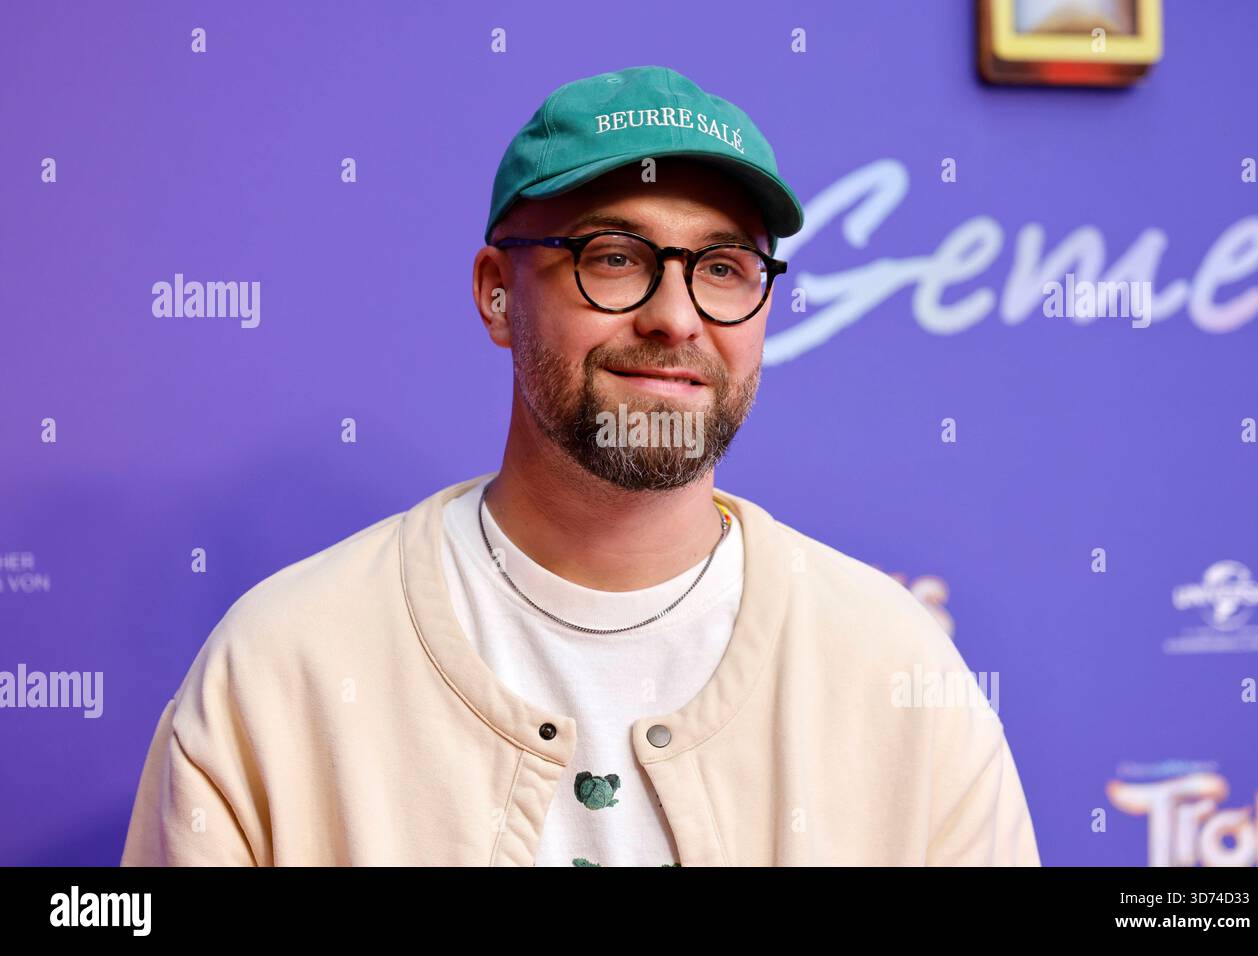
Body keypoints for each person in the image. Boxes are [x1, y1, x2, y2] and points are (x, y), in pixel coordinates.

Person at [121, 65, 1040, 866]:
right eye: (614, 256)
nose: (677, 318)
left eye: (723, 267)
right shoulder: (283, 665)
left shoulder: (894, 667)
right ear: (496, 294)